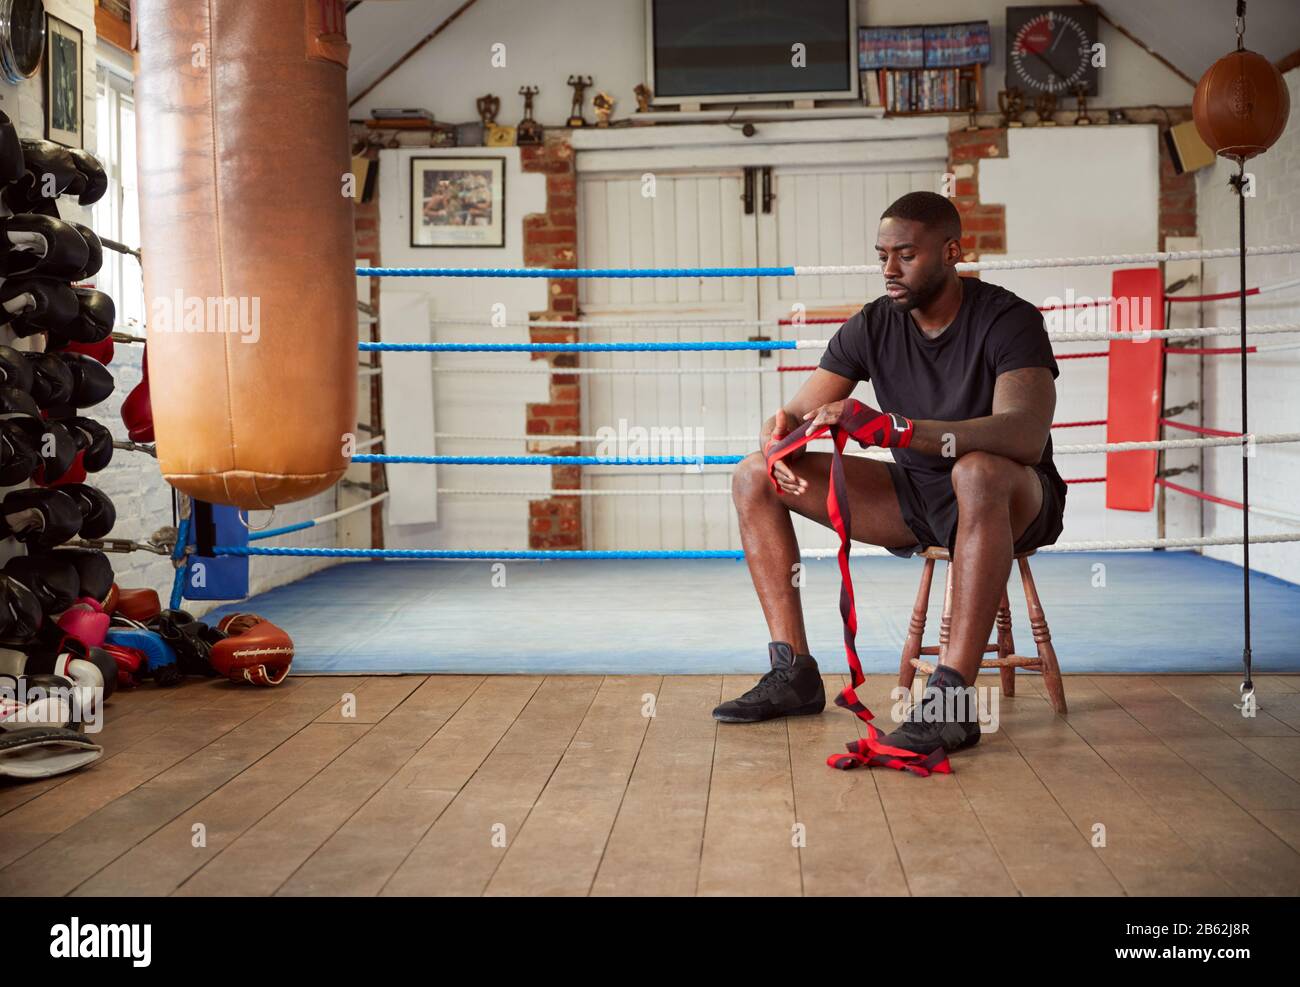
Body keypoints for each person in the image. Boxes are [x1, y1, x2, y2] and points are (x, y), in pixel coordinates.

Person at [717, 191, 1066, 760]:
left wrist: (898, 429)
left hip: (1009, 500)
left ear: (952, 251)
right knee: (754, 474)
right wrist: (780, 434)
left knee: (976, 472)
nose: (888, 269)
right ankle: (794, 673)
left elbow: (1023, 434)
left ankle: (952, 704)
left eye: (905, 254)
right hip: (918, 498)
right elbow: (799, 413)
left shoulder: (1009, 318)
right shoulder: (876, 323)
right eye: (882, 255)